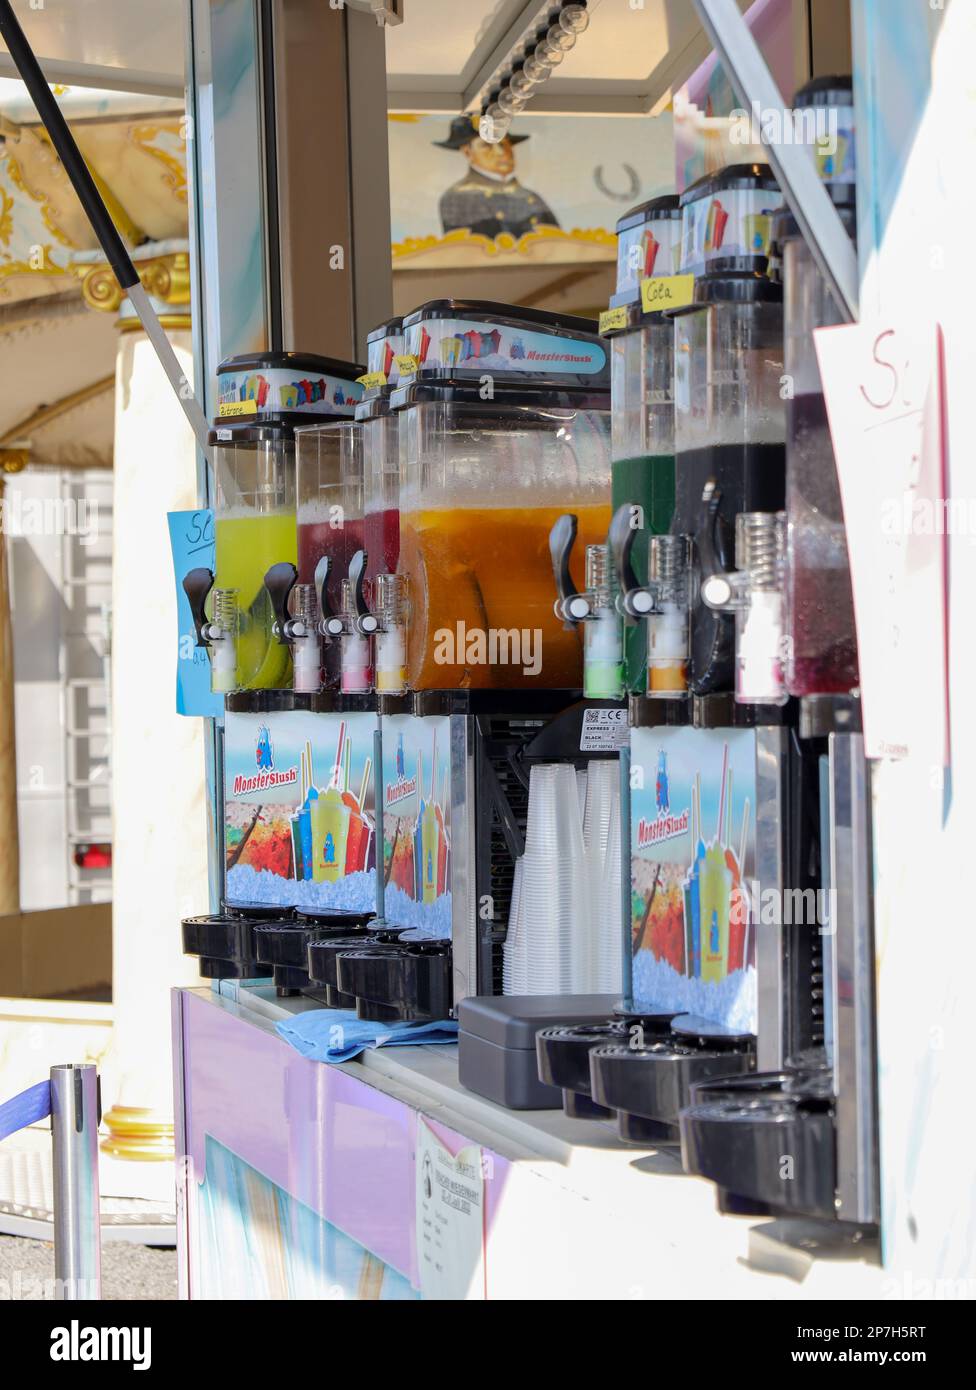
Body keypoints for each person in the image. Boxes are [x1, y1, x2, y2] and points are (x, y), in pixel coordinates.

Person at [434, 114, 560, 240]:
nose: (501, 152)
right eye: (486, 145)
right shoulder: (457, 198)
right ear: (468, 152)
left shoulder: (531, 197)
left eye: (504, 143)